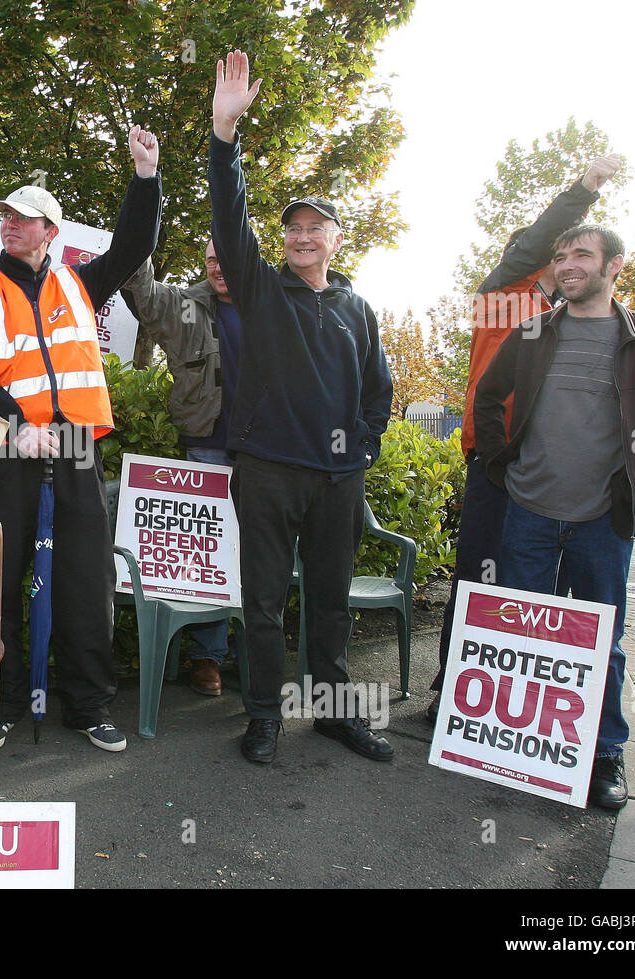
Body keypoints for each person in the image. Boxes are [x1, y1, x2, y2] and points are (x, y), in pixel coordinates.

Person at [0, 130, 162, 753]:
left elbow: (134, 246)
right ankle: (3, 701)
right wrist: (19, 426)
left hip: (75, 449)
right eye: (6, 217)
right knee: (0, 580)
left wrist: (144, 178)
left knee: (85, 579)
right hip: (10, 451)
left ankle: (89, 704)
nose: (10, 225)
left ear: (51, 233)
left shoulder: (79, 283)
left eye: (25, 218)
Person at [209, 50, 394, 764]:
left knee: (329, 604)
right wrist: (225, 141)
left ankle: (333, 713)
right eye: (294, 228)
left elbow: (378, 392)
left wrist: (362, 450)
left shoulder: (358, 308)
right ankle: (261, 715)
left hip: (337, 480)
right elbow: (231, 222)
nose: (303, 236)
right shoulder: (260, 289)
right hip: (267, 471)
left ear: (337, 239)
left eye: (317, 227)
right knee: (261, 604)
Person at [474, 224, 635, 810]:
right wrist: (501, 466)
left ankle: (604, 755)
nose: (568, 264)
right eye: (562, 255)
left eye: (582, 255)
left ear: (614, 265)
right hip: (529, 511)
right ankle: (521, 747)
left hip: (605, 517)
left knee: (602, 642)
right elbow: (487, 400)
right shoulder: (533, 330)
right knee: (519, 634)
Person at [426, 156, 621, 723]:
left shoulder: (568, 316)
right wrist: (585, 189)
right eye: (548, 254)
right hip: (495, 466)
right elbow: (535, 242)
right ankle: (453, 690)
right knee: (479, 578)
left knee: (535, 591)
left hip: (550, 471)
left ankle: (528, 707)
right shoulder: (502, 297)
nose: (557, 262)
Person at [120, 240, 240, 695]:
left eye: (226, 256)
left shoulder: (274, 303)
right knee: (207, 557)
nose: (218, 266)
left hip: (268, 451)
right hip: (207, 449)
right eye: (211, 258)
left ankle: (259, 655)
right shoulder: (185, 305)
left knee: (259, 555)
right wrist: (141, 230)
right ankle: (207, 658)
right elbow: (146, 294)